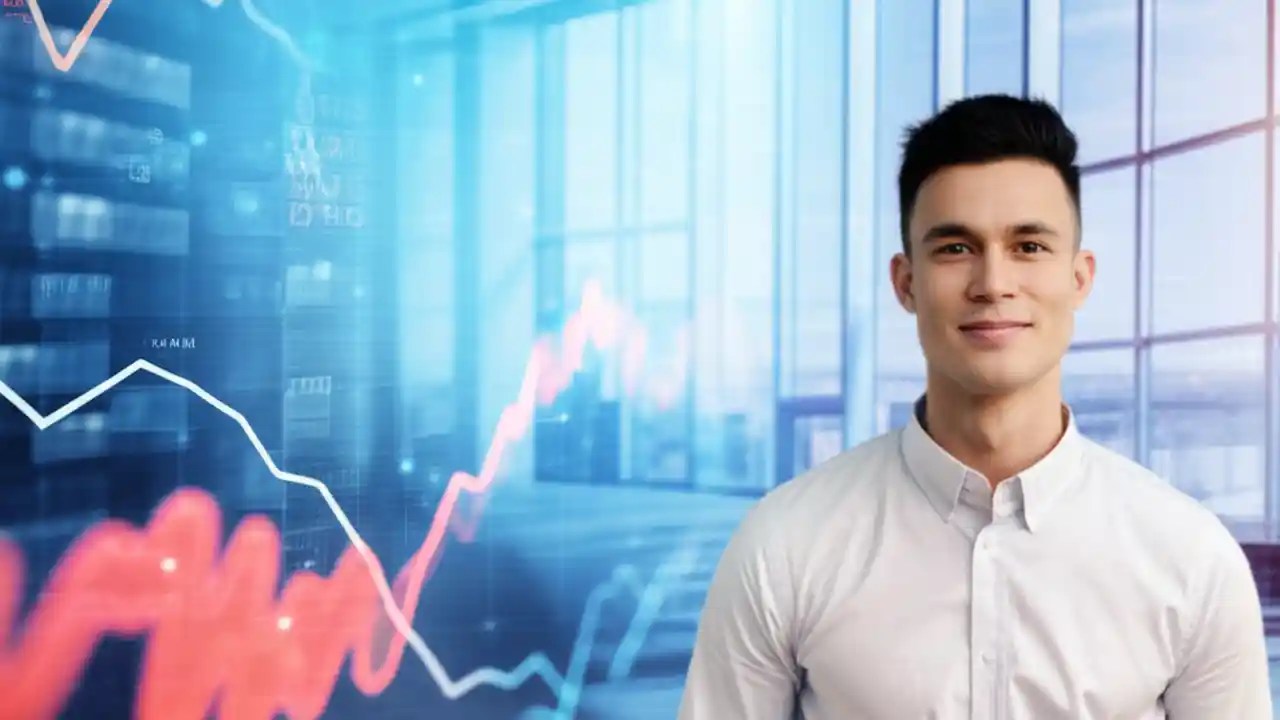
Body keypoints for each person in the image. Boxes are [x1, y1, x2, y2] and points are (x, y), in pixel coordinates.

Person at [676, 94, 1273, 719]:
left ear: (1079, 277)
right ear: (906, 283)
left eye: (1029, 247)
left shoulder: (1190, 558)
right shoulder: (785, 545)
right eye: (956, 248)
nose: (993, 283)